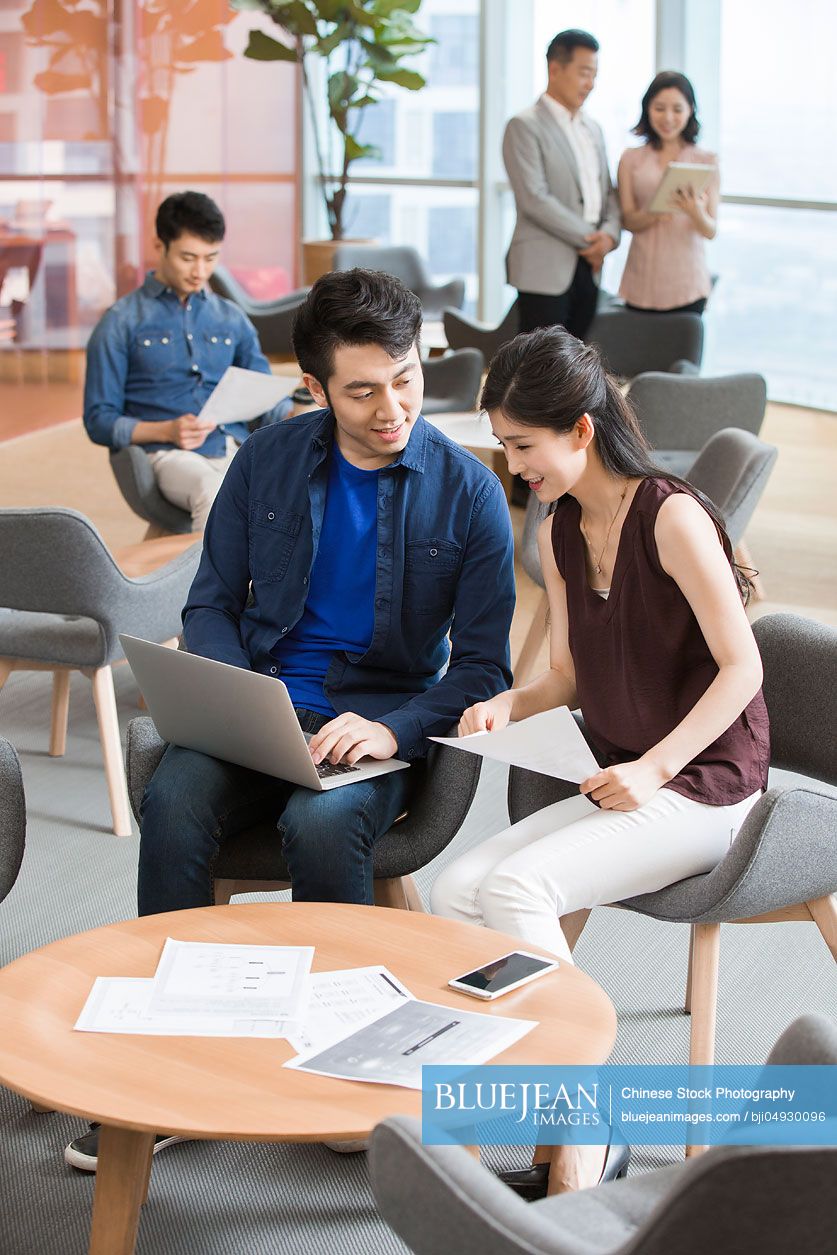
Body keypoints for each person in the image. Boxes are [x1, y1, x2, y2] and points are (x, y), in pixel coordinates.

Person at [63, 268, 517, 1172]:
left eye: (405, 379)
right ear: (314, 387)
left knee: (319, 822)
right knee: (176, 798)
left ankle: (343, 1075)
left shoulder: (467, 493)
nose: (392, 406)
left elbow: (480, 666)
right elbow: (213, 603)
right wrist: (239, 698)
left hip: (381, 723)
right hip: (265, 705)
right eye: (362, 389)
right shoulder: (266, 461)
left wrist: (392, 728)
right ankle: (176, 1065)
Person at [431, 325, 769, 1195]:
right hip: (623, 776)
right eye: (503, 447)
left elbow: (743, 669)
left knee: (512, 889)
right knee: (456, 886)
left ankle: (583, 1139)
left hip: (704, 786)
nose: (513, 468)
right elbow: (570, 676)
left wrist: (657, 767)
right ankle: (558, 1115)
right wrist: (512, 701)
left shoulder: (674, 516)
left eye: (522, 446)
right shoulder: (561, 529)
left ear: (580, 430)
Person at [83, 190, 289, 532]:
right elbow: (99, 420)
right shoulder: (121, 321)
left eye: (211, 258)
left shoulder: (232, 319)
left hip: (232, 446)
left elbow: (264, 397)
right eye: (188, 257)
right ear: (159, 245)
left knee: (289, 490)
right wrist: (166, 430)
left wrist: (291, 410)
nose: (200, 271)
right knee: (213, 491)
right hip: (167, 454)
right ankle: (214, 587)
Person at [502, 29, 621, 338]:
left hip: (590, 267)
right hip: (545, 267)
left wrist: (608, 237)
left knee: (577, 366)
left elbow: (608, 194)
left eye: (594, 75)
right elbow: (534, 198)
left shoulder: (593, 129)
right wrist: (591, 241)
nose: (590, 84)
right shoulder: (524, 125)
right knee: (541, 368)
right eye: (584, 73)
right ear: (555, 69)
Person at [617, 71, 718, 314]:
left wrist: (695, 211)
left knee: (684, 350)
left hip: (687, 283)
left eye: (677, 109)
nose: (668, 117)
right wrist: (655, 211)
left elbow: (710, 230)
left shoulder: (706, 161)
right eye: (659, 108)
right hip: (641, 281)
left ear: (690, 110)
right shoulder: (631, 159)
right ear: (647, 108)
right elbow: (628, 220)